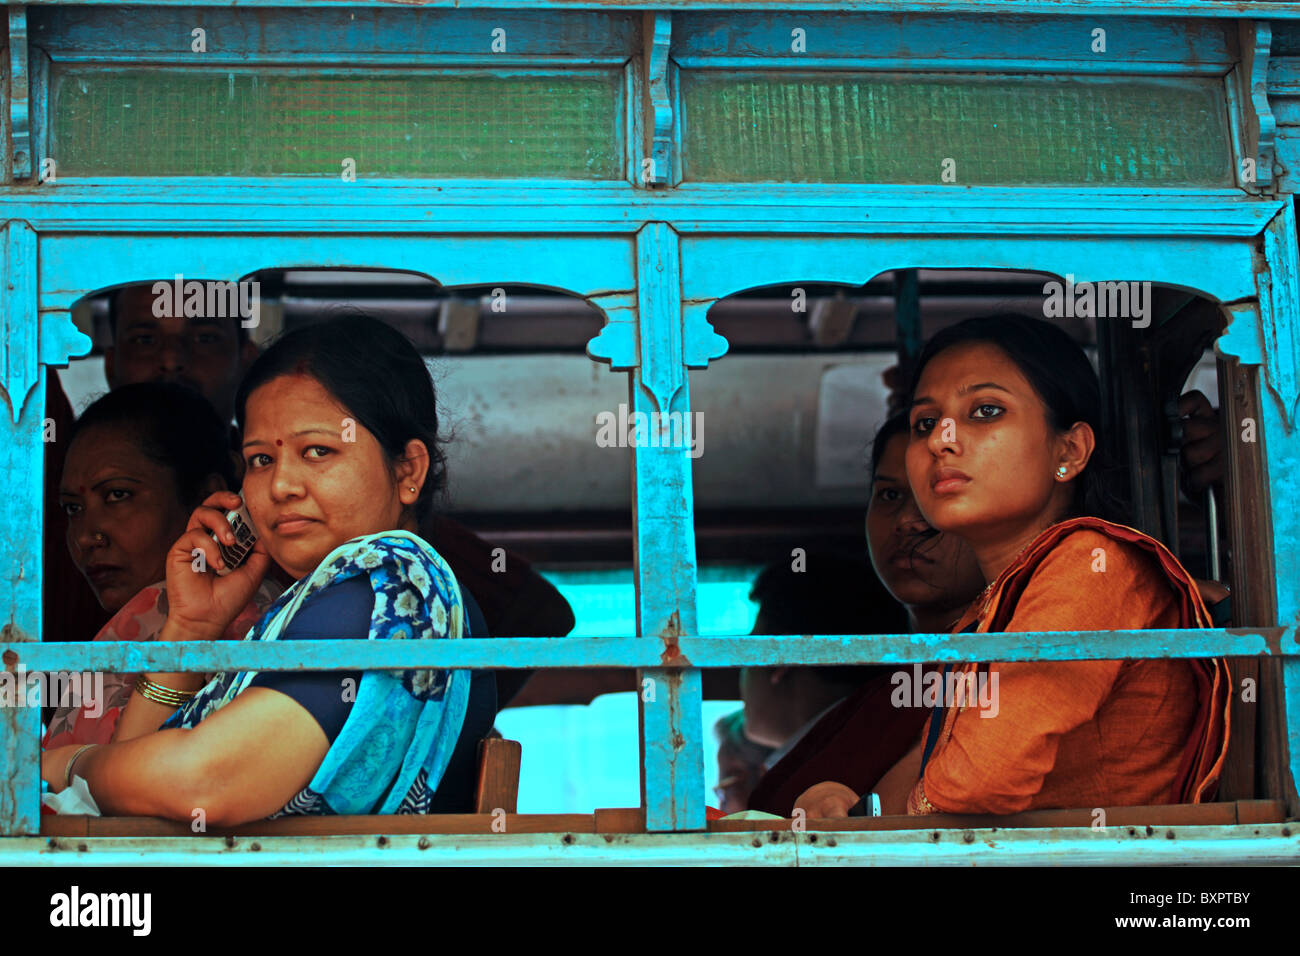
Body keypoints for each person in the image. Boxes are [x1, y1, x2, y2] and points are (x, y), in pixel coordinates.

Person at [41, 316, 497, 822]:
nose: (281, 486)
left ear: (407, 470)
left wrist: (68, 764)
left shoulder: (392, 582)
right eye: (260, 460)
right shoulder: (323, 601)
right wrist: (192, 631)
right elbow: (129, 814)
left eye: (317, 451)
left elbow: (206, 782)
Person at [796, 314, 1230, 818]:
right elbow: (937, 765)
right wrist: (845, 804)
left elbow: (974, 783)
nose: (942, 439)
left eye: (985, 410)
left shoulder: (1090, 565)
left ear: (1069, 449)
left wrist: (876, 815)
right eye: (925, 422)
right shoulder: (998, 604)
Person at [746, 417, 985, 815]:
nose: (910, 520)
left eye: (941, 490)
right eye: (889, 495)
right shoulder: (892, 693)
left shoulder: (993, 674)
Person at [43, 383, 279, 748]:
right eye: (73, 508)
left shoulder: (168, 607)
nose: (87, 536)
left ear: (206, 497)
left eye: (118, 495)